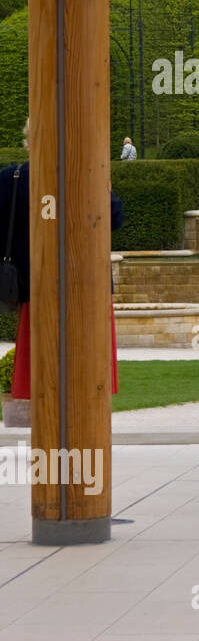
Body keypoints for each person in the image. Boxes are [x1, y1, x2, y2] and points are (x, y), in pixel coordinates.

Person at [1, 121, 124, 421]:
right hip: (88, 287)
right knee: (88, 373)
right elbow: (115, 219)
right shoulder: (86, 175)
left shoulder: (10, 179)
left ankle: (52, 439)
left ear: (29, 139)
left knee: (43, 376)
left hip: (36, 286)